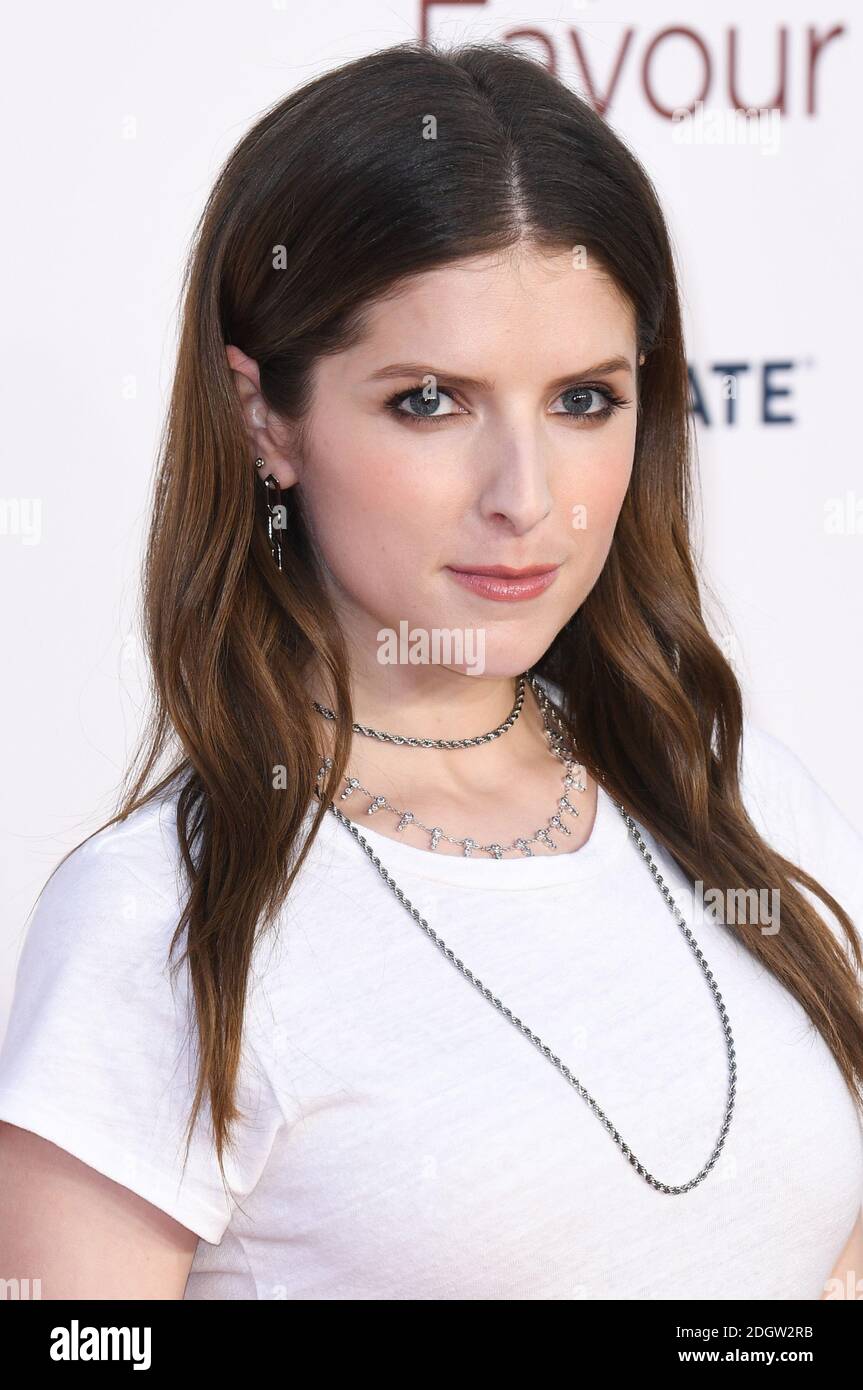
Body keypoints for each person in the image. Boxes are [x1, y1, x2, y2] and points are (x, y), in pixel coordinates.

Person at [0, 39, 861, 1302]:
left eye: (582, 401)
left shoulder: (734, 795)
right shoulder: (162, 920)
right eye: (428, 402)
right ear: (264, 419)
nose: (528, 500)